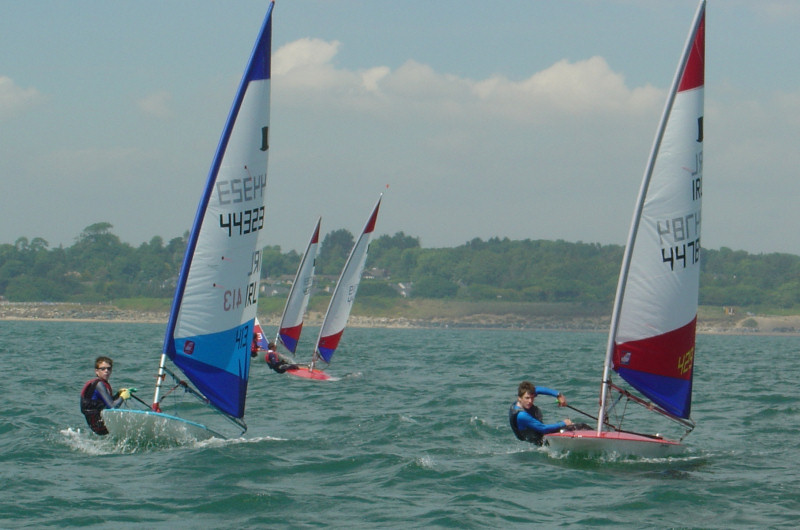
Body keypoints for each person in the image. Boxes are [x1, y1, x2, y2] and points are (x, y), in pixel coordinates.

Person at [509, 380, 576, 445]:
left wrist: (558, 395)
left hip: (536, 427)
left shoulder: (523, 398)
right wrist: (563, 423)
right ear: (519, 398)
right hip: (533, 439)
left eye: (532, 398)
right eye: (527, 398)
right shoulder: (522, 415)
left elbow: (538, 389)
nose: (530, 401)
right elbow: (543, 429)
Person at [79, 356, 130, 435]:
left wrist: (119, 394)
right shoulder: (99, 384)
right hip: (99, 425)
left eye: (109, 369)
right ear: (97, 371)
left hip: (98, 423)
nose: (106, 371)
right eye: (103, 369)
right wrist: (122, 397)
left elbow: (108, 403)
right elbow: (113, 407)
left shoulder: (102, 384)